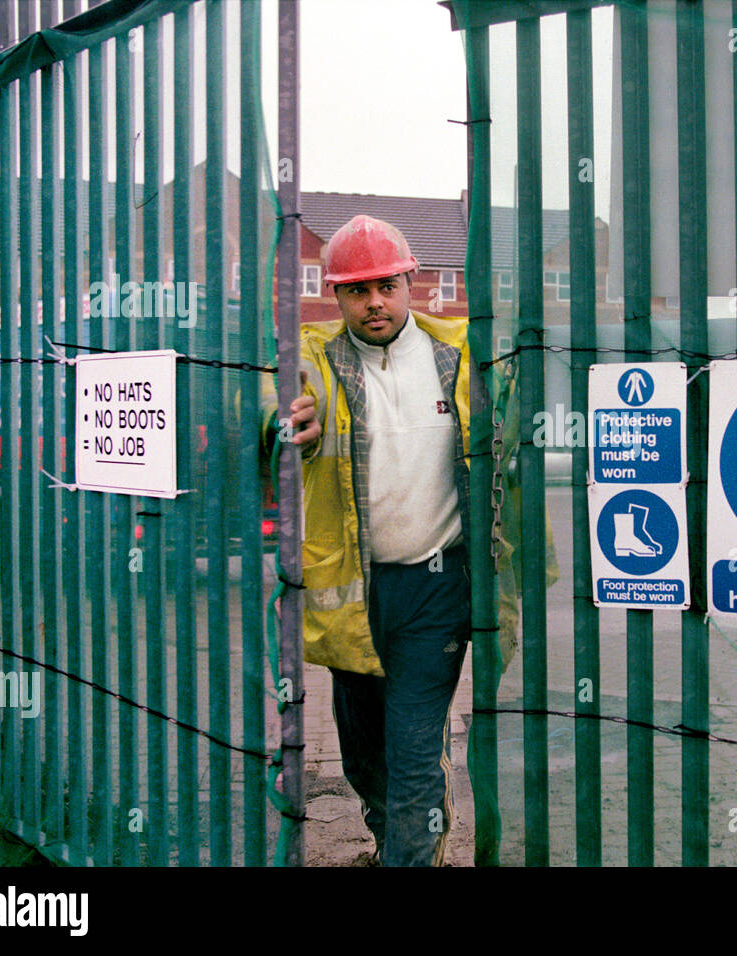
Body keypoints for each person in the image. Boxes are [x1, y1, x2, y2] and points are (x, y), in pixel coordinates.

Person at [262, 214, 482, 867]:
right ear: (336, 294)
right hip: (352, 593)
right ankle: (394, 844)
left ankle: (412, 859)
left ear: (410, 280)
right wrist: (283, 420)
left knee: (414, 749)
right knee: (362, 754)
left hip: (434, 588)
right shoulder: (315, 359)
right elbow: (277, 401)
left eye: (386, 285)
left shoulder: (461, 354)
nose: (374, 302)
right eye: (357, 291)